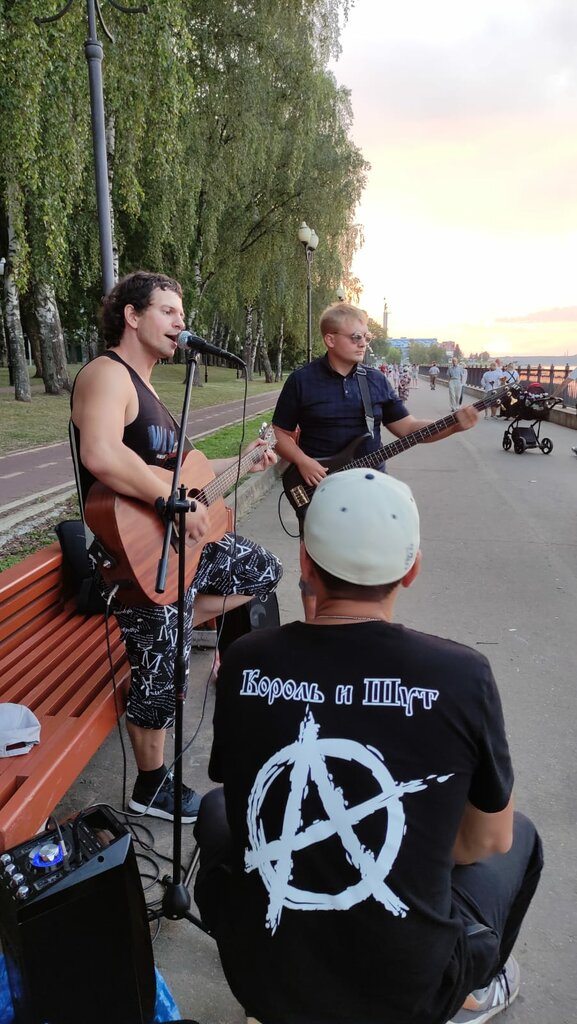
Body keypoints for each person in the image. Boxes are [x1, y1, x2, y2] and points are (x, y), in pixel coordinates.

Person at [194, 469, 543, 1024]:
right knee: (520, 835)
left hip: (260, 977)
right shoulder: (460, 674)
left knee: (214, 809)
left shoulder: (245, 659)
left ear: (305, 563)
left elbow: (240, 795)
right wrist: (403, 843)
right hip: (410, 993)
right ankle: (471, 991)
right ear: (412, 570)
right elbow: (486, 841)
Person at [70, 271, 282, 823]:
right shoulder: (106, 374)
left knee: (262, 568)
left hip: (171, 541)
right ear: (132, 316)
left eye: (181, 315)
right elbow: (101, 455)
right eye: (168, 312)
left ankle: (182, 610)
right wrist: (173, 498)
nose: (180, 323)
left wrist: (244, 465)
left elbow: (187, 481)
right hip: (133, 553)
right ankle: (150, 784)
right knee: (161, 666)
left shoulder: (154, 394)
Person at [271, 302, 479, 619]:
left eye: (366, 337)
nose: (363, 344)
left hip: (369, 489)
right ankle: (315, 630)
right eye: (355, 337)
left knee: (368, 563)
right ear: (330, 339)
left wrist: (452, 425)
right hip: (317, 487)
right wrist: (303, 461)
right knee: (315, 567)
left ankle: (365, 631)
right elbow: (281, 434)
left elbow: (408, 429)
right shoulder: (302, 381)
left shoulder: (375, 381)